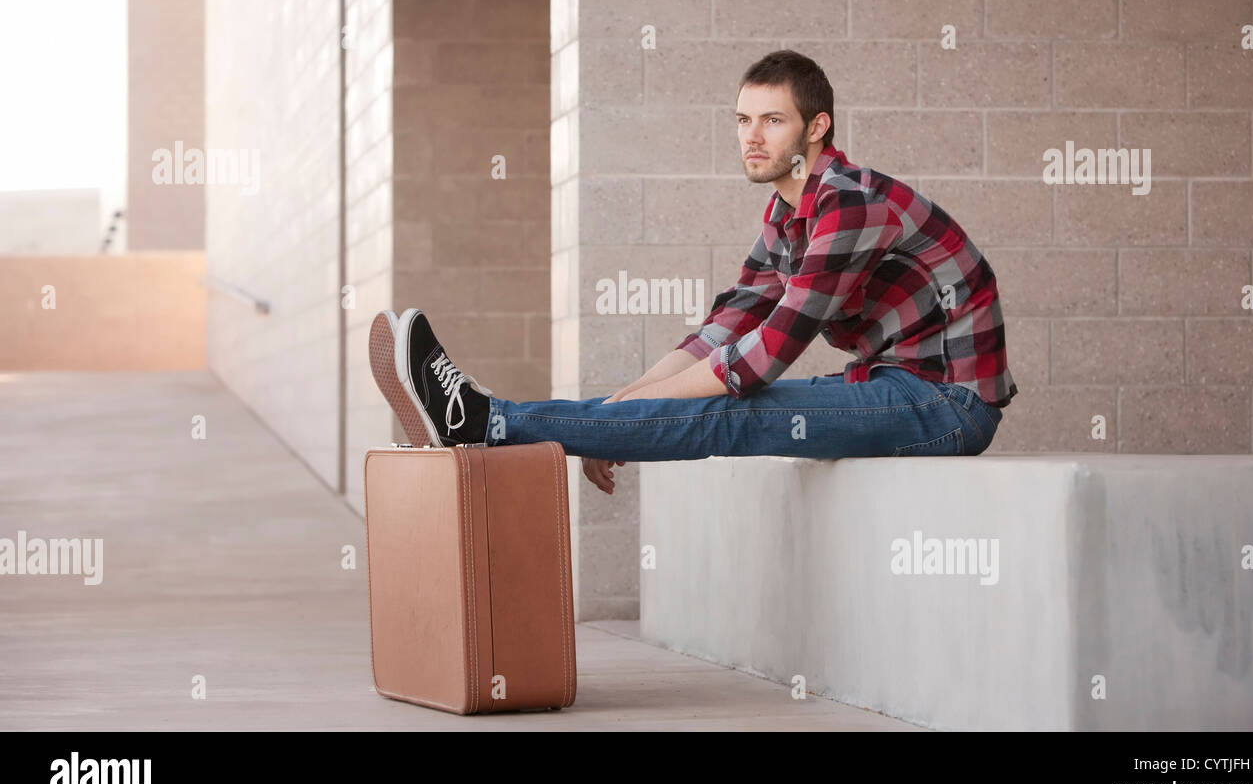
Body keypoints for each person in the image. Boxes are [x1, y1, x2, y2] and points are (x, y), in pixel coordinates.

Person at [368, 50, 1017, 494]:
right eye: (742, 120)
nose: (751, 136)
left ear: (817, 126)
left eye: (772, 119)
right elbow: (725, 328)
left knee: (732, 412)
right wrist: (623, 402)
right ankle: (478, 416)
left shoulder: (849, 203)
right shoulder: (787, 210)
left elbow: (759, 360)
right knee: (706, 394)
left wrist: (619, 418)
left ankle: (484, 419)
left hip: (947, 405)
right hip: (894, 384)